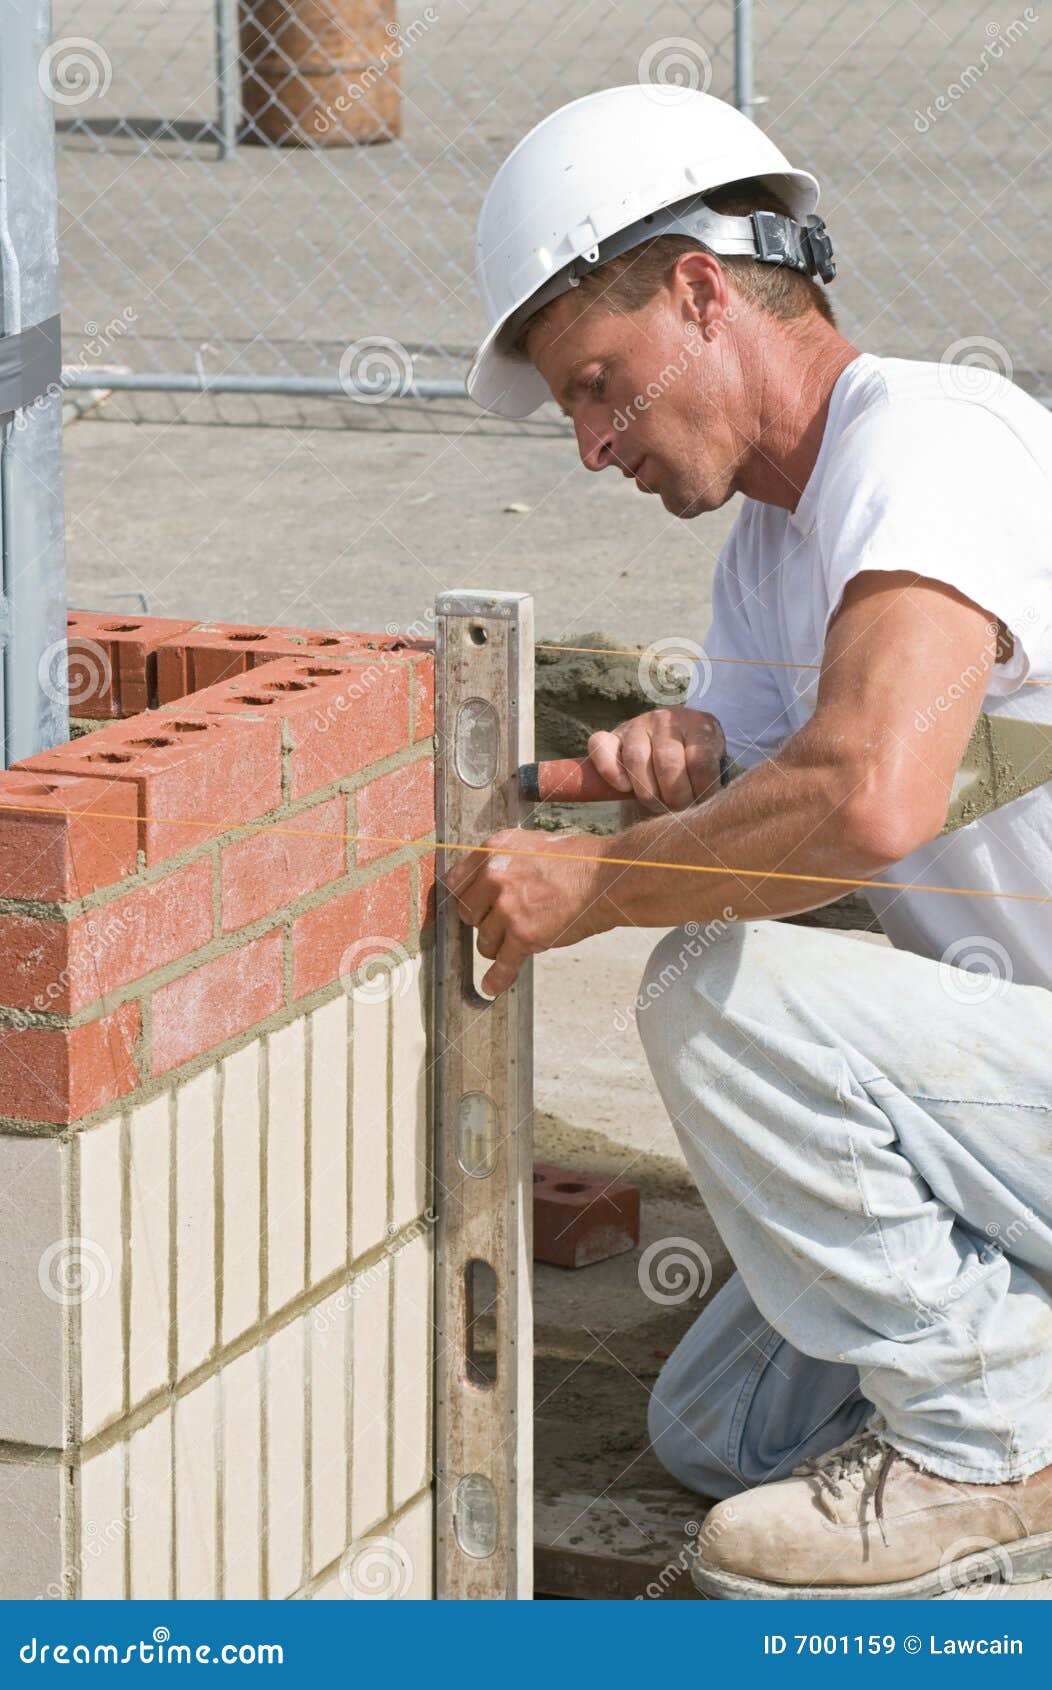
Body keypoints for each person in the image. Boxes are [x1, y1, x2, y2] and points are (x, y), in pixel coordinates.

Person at [447, 84, 1052, 1598]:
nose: (593, 445)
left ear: (705, 290)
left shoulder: (929, 446)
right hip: (1018, 1087)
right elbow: (779, 823)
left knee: (706, 991)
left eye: (601, 384)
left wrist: (600, 884)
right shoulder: (770, 553)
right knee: (715, 1423)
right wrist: (689, 778)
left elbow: (865, 798)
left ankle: (998, 1437)